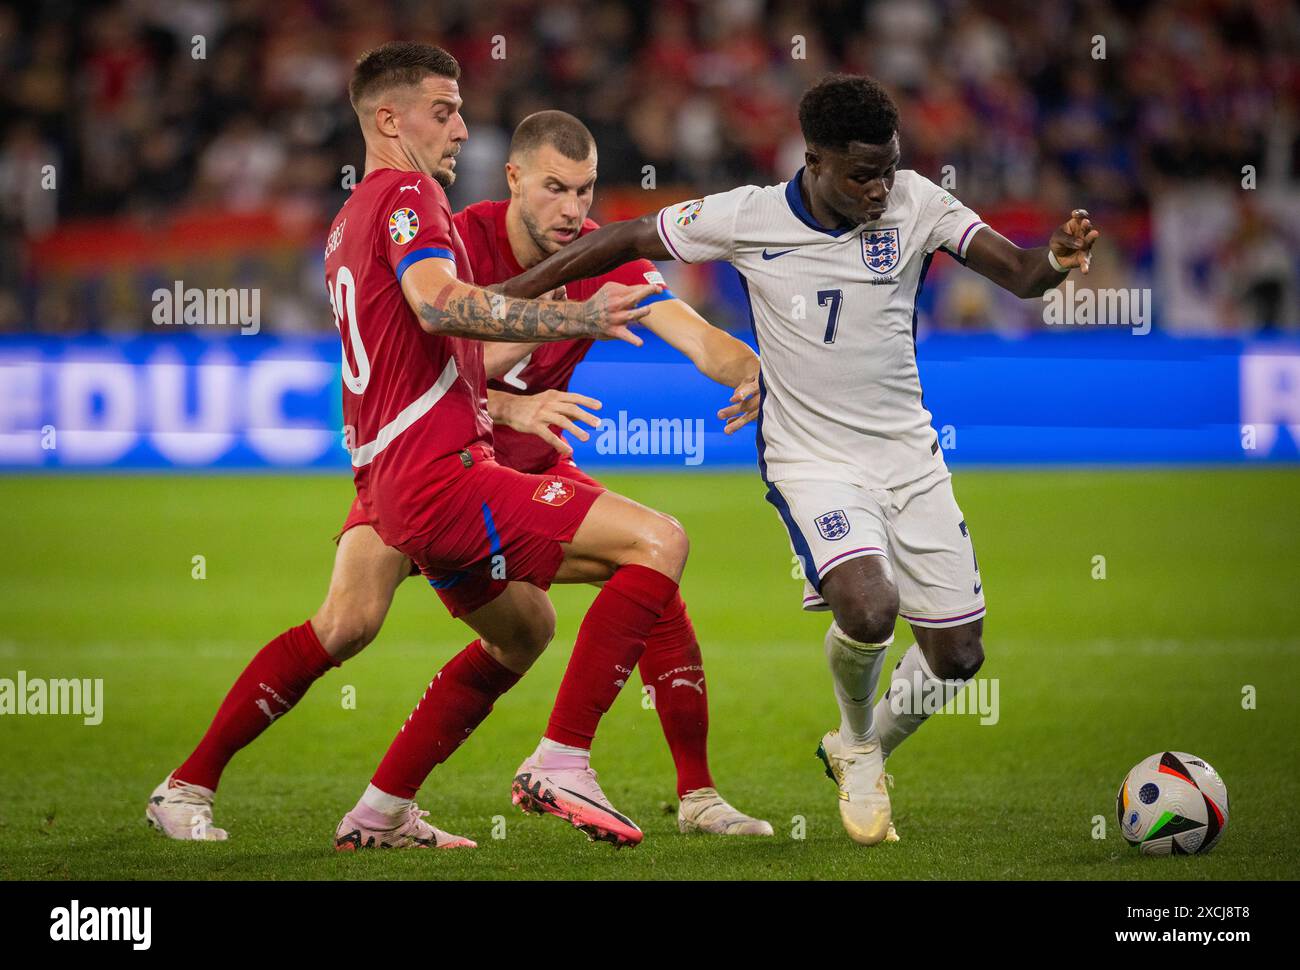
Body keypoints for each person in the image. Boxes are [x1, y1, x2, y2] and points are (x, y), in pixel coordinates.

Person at [146, 42, 760, 851]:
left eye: (584, 191)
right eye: (554, 189)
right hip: (442, 464)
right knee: (645, 551)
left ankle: (373, 809)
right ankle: (569, 763)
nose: (574, 210)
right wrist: (518, 399)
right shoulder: (440, 221)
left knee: (496, 627)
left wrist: (750, 370)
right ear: (516, 182)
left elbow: (697, 335)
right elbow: (444, 319)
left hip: (425, 461)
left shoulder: (582, 254)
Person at [495, 72, 1100, 845]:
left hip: (908, 455)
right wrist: (504, 299)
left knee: (958, 656)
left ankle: (860, 745)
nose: (880, 187)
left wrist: (1054, 254)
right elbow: (622, 237)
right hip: (808, 455)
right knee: (870, 606)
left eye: (888, 166)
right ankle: (861, 750)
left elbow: (1019, 275)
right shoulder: (746, 215)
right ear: (813, 160)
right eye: (861, 173)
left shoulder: (918, 202)